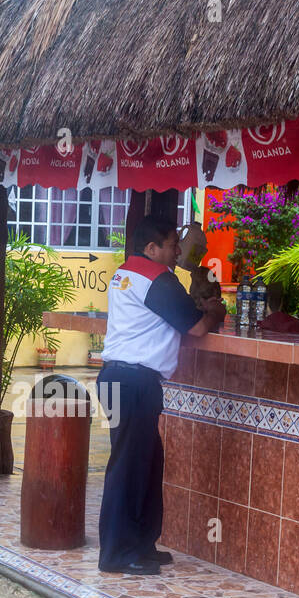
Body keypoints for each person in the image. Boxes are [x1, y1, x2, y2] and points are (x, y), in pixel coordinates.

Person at [97, 215, 226, 575]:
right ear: (151, 248)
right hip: (133, 383)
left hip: (123, 380)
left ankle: (141, 544)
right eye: (172, 243)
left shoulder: (127, 272)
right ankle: (117, 555)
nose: (179, 250)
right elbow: (198, 326)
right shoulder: (157, 277)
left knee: (146, 464)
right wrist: (215, 310)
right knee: (129, 468)